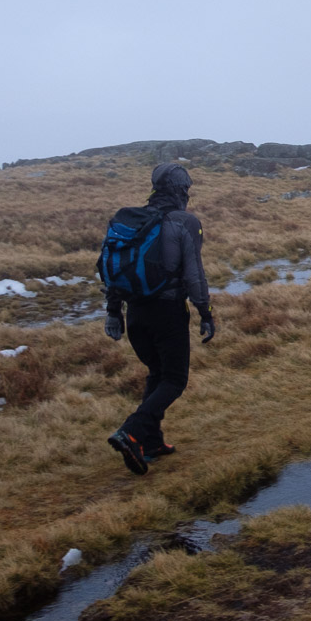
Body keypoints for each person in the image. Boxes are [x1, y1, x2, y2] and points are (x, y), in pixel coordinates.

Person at [105, 163, 215, 476]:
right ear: (181, 190)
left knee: (157, 372)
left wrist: (114, 312)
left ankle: (150, 442)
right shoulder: (185, 222)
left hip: (136, 312)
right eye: (186, 189)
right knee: (175, 379)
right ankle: (132, 431)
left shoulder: (130, 220)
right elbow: (194, 274)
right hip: (167, 312)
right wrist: (205, 313)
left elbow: (113, 269)